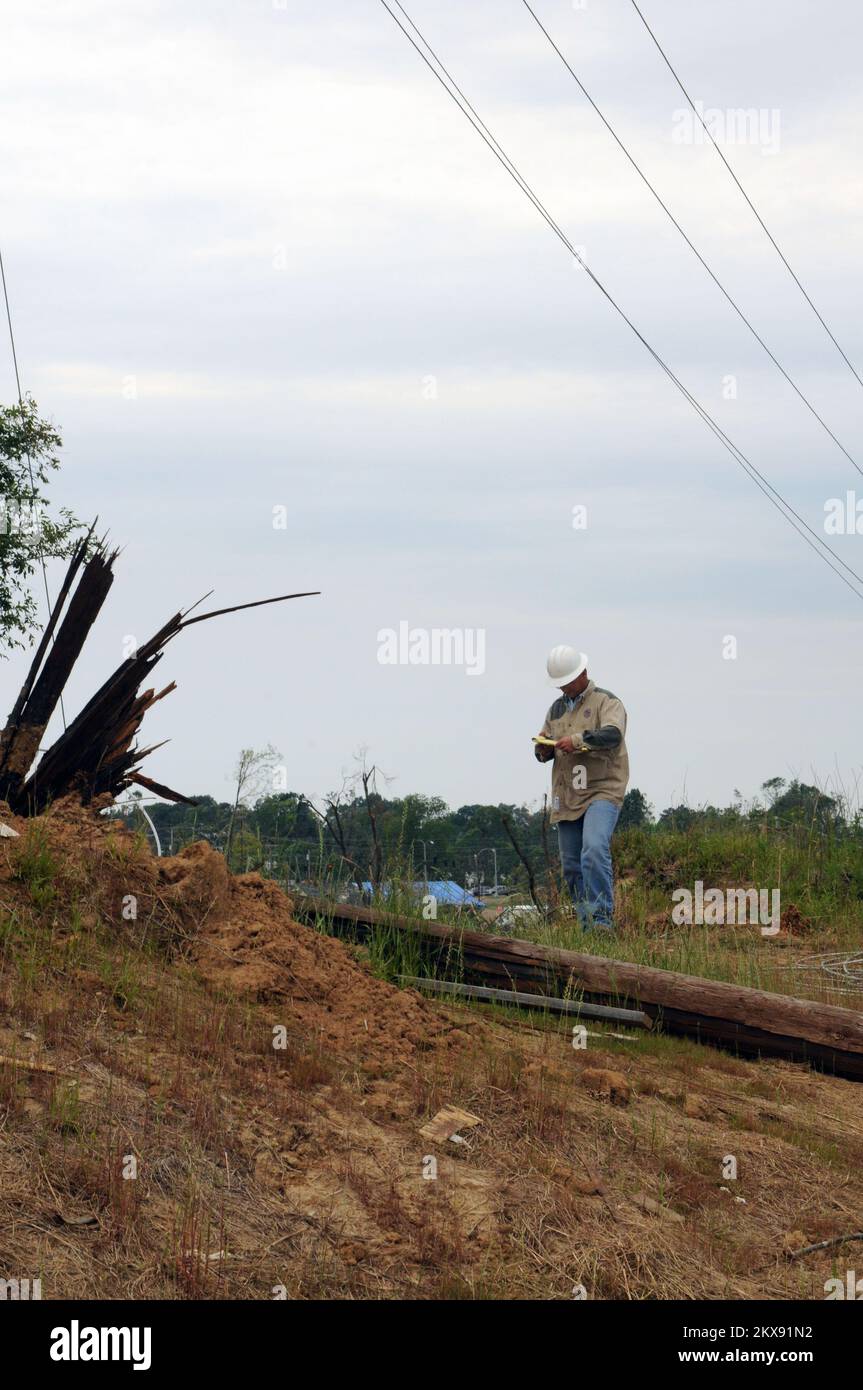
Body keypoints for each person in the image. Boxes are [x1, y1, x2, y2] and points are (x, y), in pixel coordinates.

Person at [534, 645, 629, 931]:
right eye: (559, 683)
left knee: (594, 849)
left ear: (584, 673)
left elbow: (612, 735)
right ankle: (585, 922)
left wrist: (576, 740)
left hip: (602, 789)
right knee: (572, 866)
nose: (564, 687)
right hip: (568, 795)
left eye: (568, 680)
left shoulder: (607, 702)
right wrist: (543, 748)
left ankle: (602, 920)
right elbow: (546, 745)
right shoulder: (557, 708)